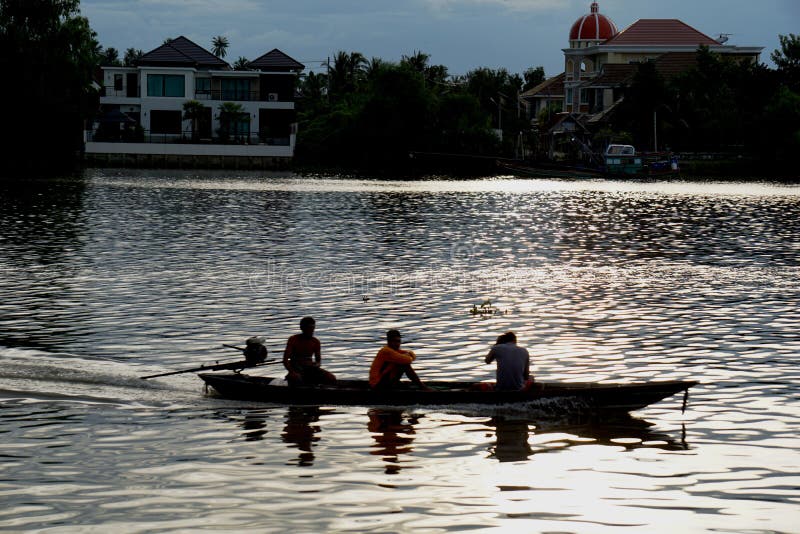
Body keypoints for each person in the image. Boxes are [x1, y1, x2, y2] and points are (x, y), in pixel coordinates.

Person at [283, 317, 336, 386]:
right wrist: (292, 371)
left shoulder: (315, 342)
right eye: (308, 328)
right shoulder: (293, 339)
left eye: (312, 328)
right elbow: (285, 360)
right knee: (296, 378)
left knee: (331, 378)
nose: (311, 331)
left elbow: (318, 361)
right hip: (296, 368)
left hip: (310, 369)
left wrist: (316, 365)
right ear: (302, 328)